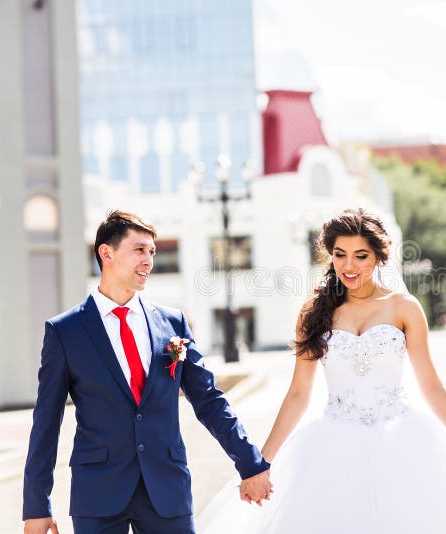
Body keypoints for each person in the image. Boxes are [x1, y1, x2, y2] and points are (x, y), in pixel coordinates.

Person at [209, 207, 446, 533]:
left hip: (404, 443)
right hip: (332, 450)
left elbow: (432, 387)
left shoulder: (404, 307)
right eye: (340, 255)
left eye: (360, 256)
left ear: (379, 257)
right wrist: (261, 464)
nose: (349, 266)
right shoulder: (313, 313)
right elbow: (298, 394)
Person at [22, 210, 272, 534]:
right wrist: (36, 507)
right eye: (140, 249)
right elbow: (46, 422)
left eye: (152, 252)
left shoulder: (172, 325)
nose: (149, 260)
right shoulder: (65, 332)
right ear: (106, 253)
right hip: (98, 495)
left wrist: (250, 463)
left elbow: (208, 399)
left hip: (167, 489)